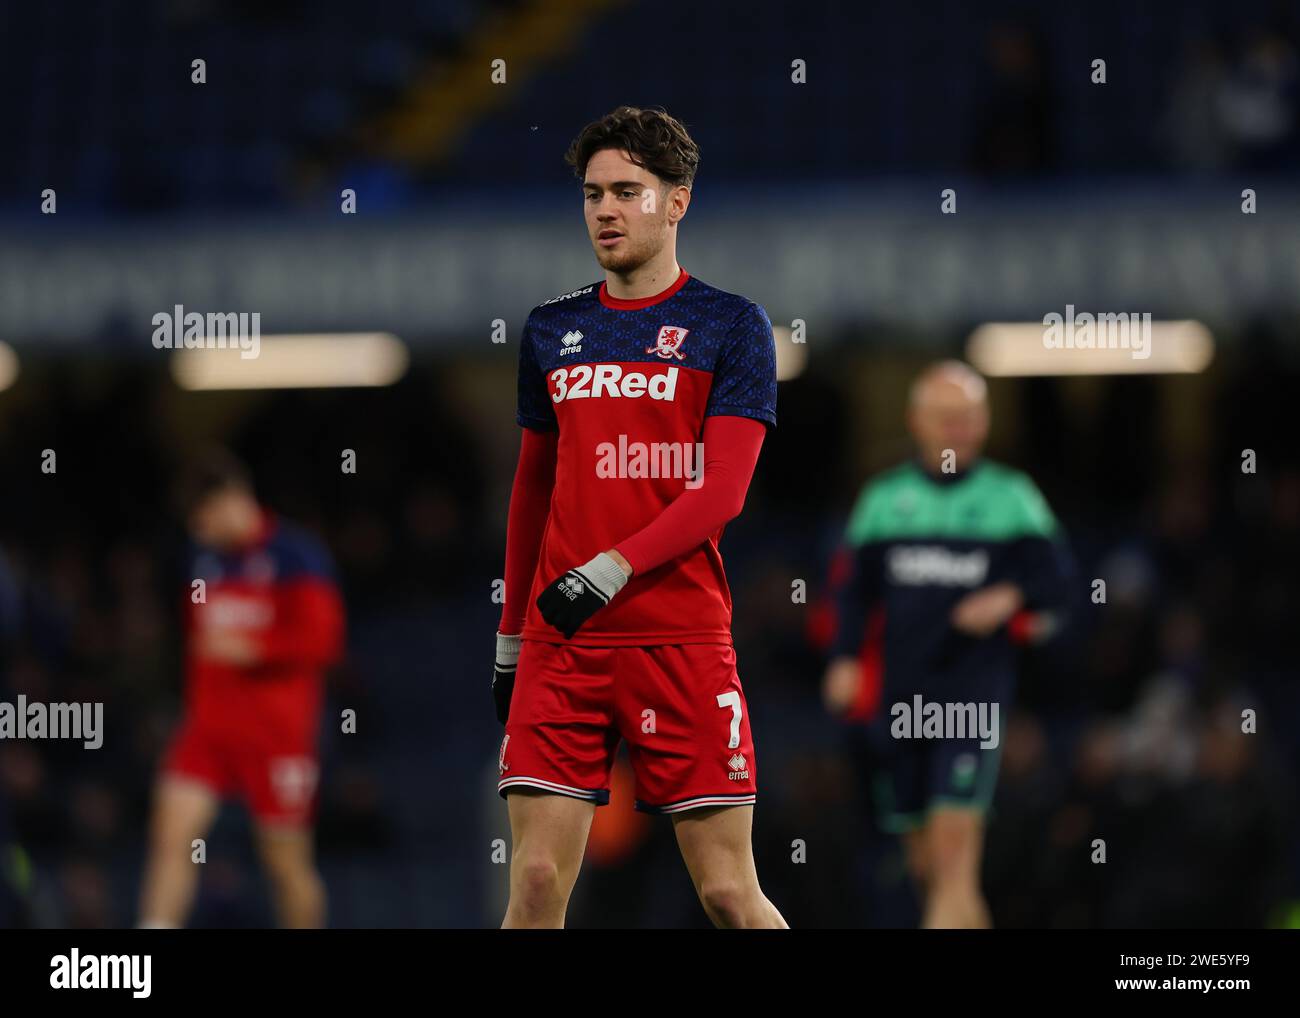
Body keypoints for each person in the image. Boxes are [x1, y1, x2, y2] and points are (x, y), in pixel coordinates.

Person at [492, 106, 786, 929]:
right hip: (563, 640)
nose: (606, 211)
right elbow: (530, 490)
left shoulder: (731, 325)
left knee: (730, 893)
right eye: (592, 195)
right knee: (539, 882)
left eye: (628, 191)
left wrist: (613, 566)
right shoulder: (554, 328)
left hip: (680, 635)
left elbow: (721, 493)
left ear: (677, 201)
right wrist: (513, 637)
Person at [821, 361, 1072, 928]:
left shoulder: (1013, 498)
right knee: (929, 864)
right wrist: (842, 661)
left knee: (956, 851)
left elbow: (1060, 584)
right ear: (917, 422)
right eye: (944, 419)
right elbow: (852, 594)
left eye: (966, 419)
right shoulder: (885, 501)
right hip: (900, 699)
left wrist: (1010, 595)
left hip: (970, 697)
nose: (955, 431)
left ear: (982, 423)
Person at [138, 450, 344, 928]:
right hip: (209, 728)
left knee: (285, 862)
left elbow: (324, 642)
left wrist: (254, 649)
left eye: (204, 517)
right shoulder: (203, 558)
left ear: (232, 499)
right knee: (171, 834)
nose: (198, 529)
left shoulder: (296, 554)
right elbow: (199, 638)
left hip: (278, 734)